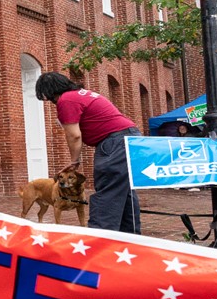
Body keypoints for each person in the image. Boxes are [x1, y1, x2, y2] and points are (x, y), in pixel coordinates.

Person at [35, 72, 141, 233]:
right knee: (123, 191)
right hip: (130, 138)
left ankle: (100, 240)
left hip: (114, 143)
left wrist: (74, 161)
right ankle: (131, 238)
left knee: (107, 191)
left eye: (49, 98)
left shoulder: (66, 100)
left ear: (51, 91)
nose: (52, 102)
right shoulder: (82, 94)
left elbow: (74, 135)